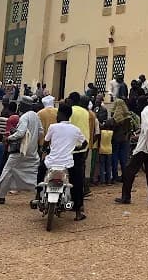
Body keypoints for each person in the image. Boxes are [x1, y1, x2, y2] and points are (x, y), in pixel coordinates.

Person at [0, 97, 43, 205]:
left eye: (21, 104)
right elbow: (41, 132)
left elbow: (21, 133)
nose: (19, 106)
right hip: (32, 151)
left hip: (20, 150)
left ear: (24, 105)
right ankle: (40, 195)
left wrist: (9, 138)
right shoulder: (36, 116)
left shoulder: (24, 117)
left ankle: (0, 197)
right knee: (33, 174)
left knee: (6, 171)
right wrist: (32, 140)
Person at [38, 103, 87, 208]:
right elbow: (85, 143)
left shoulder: (53, 127)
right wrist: (77, 148)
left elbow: (46, 142)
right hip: (67, 163)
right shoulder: (75, 129)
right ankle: (78, 210)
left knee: (40, 171)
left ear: (61, 114)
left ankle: (38, 195)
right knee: (77, 183)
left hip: (51, 162)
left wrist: (44, 149)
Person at [115, 102, 148, 205]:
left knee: (129, 171)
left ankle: (126, 197)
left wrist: (146, 143)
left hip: (143, 148)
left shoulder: (144, 112)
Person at [67, 92, 90, 220]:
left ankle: (69, 202)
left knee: (68, 176)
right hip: (82, 148)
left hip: (70, 148)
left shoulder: (70, 111)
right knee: (78, 178)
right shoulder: (86, 112)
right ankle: (79, 206)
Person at [108, 98, 134, 182]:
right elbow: (131, 129)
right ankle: (125, 176)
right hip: (125, 140)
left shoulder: (114, 118)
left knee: (114, 158)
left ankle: (115, 176)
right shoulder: (128, 118)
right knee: (124, 159)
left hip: (115, 140)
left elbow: (110, 128)